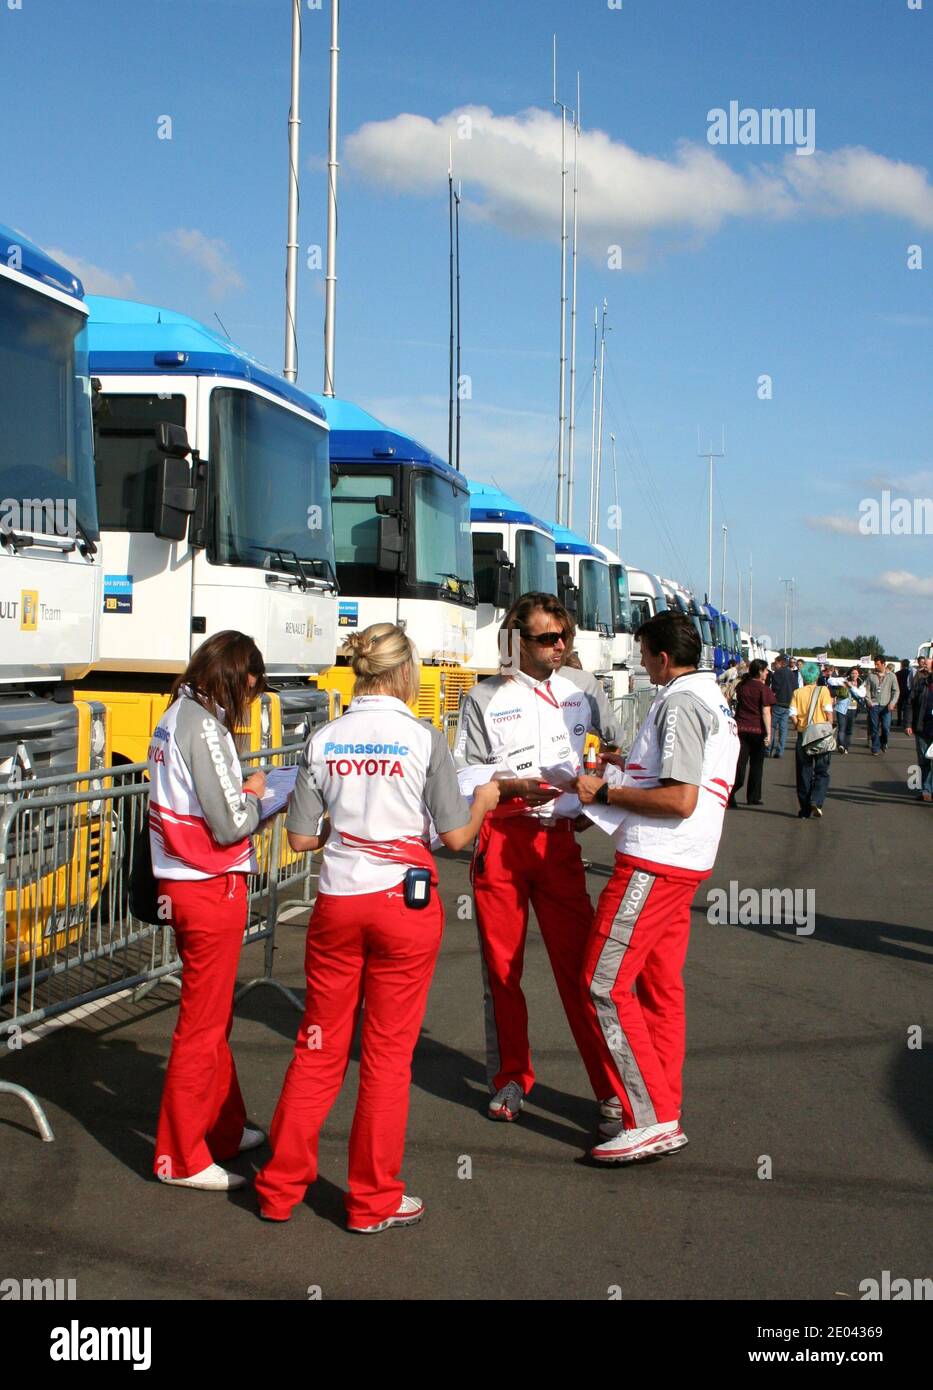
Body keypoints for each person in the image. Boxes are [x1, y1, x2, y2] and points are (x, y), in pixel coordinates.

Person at [255, 624, 499, 1232]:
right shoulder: (423, 739)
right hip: (403, 905)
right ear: (404, 671)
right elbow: (453, 837)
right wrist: (485, 802)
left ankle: (278, 1189)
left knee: (317, 1044)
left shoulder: (323, 737)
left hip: (337, 900)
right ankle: (372, 1201)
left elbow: (303, 838)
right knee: (388, 1057)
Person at [574, 611, 739, 1163]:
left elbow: (679, 799)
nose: (641, 665)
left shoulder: (681, 702)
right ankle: (661, 1107)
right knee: (659, 988)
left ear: (664, 658)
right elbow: (676, 781)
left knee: (603, 983)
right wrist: (625, 769)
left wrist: (604, 795)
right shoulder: (707, 697)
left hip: (654, 862)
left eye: (644, 655)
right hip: (680, 862)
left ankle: (648, 1116)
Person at [453, 591, 621, 1127]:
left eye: (564, 636)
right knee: (503, 972)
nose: (560, 646)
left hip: (559, 845)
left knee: (583, 972)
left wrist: (591, 807)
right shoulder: (483, 695)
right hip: (502, 840)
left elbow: (611, 756)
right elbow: (464, 774)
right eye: (547, 638)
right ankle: (508, 1078)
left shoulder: (583, 690)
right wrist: (511, 786)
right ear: (516, 640)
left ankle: (611, 1090)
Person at [148, 630, 268, 1192]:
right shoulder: (205, 727)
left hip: (181, 881)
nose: (253, 694)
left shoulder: (175, 715)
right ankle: (181, 1154)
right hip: (209, 884)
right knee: (202, 1025)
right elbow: (229, 823)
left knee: (211, 1017)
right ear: (234, 676)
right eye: (252, 683)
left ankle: (221, 1128)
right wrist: (261, 797)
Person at [790, 661, 835, 818]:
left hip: (804, 735)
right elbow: (829, 714)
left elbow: (793, 714)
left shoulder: (797, 693)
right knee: (822, 771)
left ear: (803, 676)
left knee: (803, 772)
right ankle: (816, 799)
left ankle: (804, 809)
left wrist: (798, 726)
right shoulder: (823, 691)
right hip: (821, 734)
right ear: (817, 676)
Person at [728, 659, 775, 806]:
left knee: (739, 764)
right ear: (760, 671)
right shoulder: (763, 689)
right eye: (766, 670)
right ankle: (753, 796)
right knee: (756, 765)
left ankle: (731, 792)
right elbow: (766, 712)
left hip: (741, 728)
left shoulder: (743, 685)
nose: (767, 673)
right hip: (757, 729)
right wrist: (769, 733)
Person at [906, 659, 933, 803]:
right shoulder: (922, 684)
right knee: (924, 760)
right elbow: (909, 703)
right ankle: (926, 790)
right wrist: (908, 723)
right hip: (923, 727)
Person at [864, 657, 898, 755]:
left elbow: (896, 691)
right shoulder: (871, 676)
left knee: (886, 727)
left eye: (877, 664)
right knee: (874, 727)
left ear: (883, 664)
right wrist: (868, 701)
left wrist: (892, 703)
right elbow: (867, 689)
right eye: (875, 664)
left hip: (886, 706)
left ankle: (883, 742)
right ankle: (875, 747)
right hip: (874, 706)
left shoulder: (891, 676)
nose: (876, 666)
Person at [767, 654, 797, 758]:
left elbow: (774, 688)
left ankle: (768, 749)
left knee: (772, 726)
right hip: (788, 703)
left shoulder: (777, 673)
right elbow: (795, 688)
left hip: (778, 702)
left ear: (780, 662)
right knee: (783, 729)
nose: (774, 665)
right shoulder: (792, 674)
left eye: (775, 663)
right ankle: (780, 751)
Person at [830, 667, 865, 754]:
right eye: (853, 673)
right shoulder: (844, 680)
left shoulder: (861, 683)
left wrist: (851, 687)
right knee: (842, 728)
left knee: (849, 730)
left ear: (858, 674)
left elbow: (861, 694)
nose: (854, 675)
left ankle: (846, 746)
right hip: (841, 708)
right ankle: (841, 745)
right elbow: (830, 681)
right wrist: (843, 683)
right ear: (850, 673)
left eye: (856, 673)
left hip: (853, 709)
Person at [896, 659, 913, 729]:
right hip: (908, 691)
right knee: (907, 707)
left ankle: (899, 720)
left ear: (902, 665)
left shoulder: (898, 673)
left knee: (899, 707)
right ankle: (905, 721)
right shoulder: (910, 673)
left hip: (900, 691)